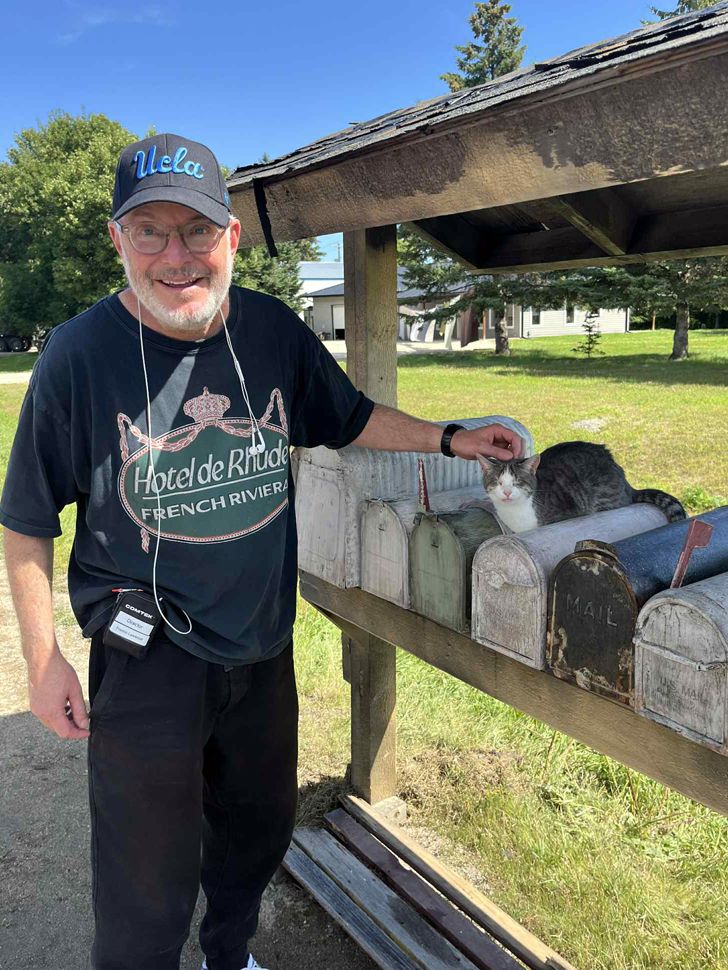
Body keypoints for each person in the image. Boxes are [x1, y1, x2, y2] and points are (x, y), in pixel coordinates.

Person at [0, 133, 522, 970]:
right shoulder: (79, 355)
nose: (177, 257)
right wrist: (43, 659)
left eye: (197, 231)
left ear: (232, 237)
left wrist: (452, 438)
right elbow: (26, 517)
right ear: (118, 239)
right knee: (145, 875)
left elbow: (348, 417)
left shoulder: (273, 332)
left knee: (257, 829)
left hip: (261, 646)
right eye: (150, 232)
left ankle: (229, 953)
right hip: (147, 658)